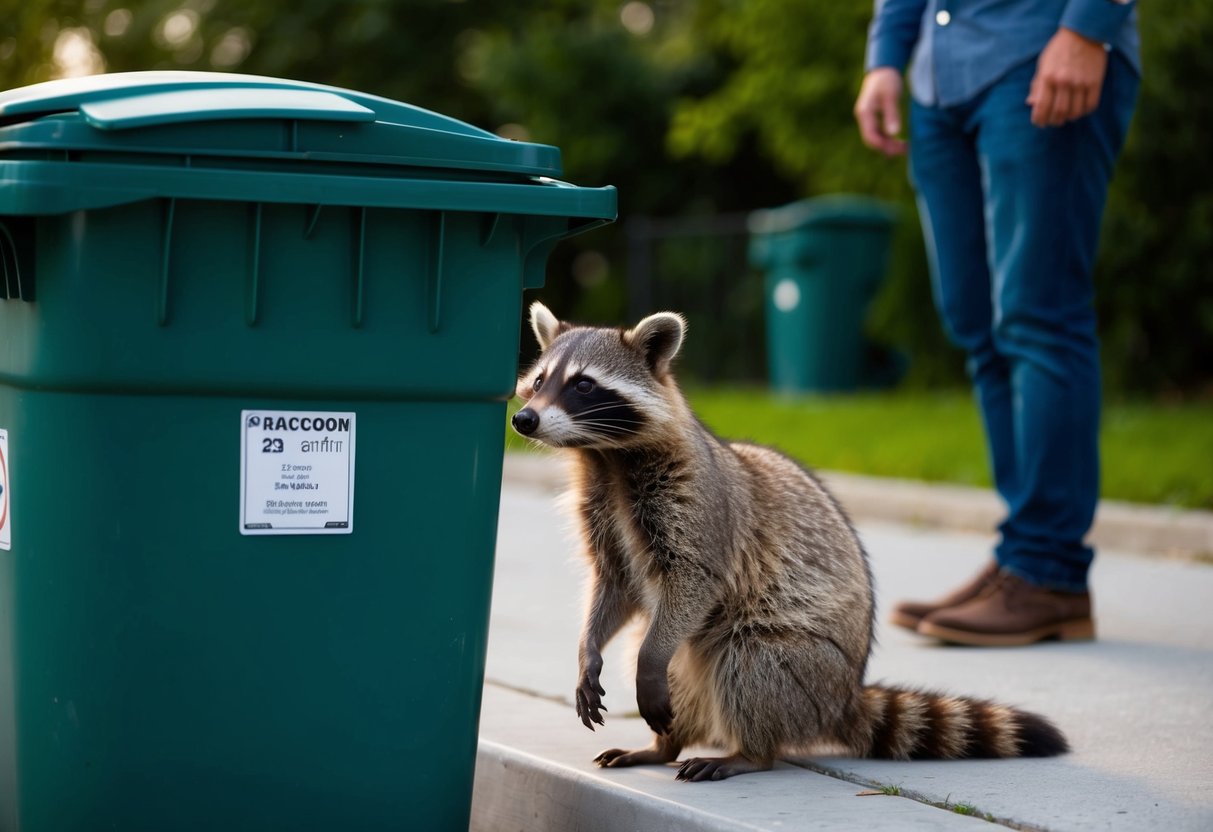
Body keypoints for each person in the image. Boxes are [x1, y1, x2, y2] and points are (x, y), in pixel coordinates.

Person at [854, 0, 1140, 646]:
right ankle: (1022, 557)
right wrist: (885, 57)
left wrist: (1087, 28)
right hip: (938, 77)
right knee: (977, 325)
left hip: (1041, 48)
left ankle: (1048, 571)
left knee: (1038, 316)